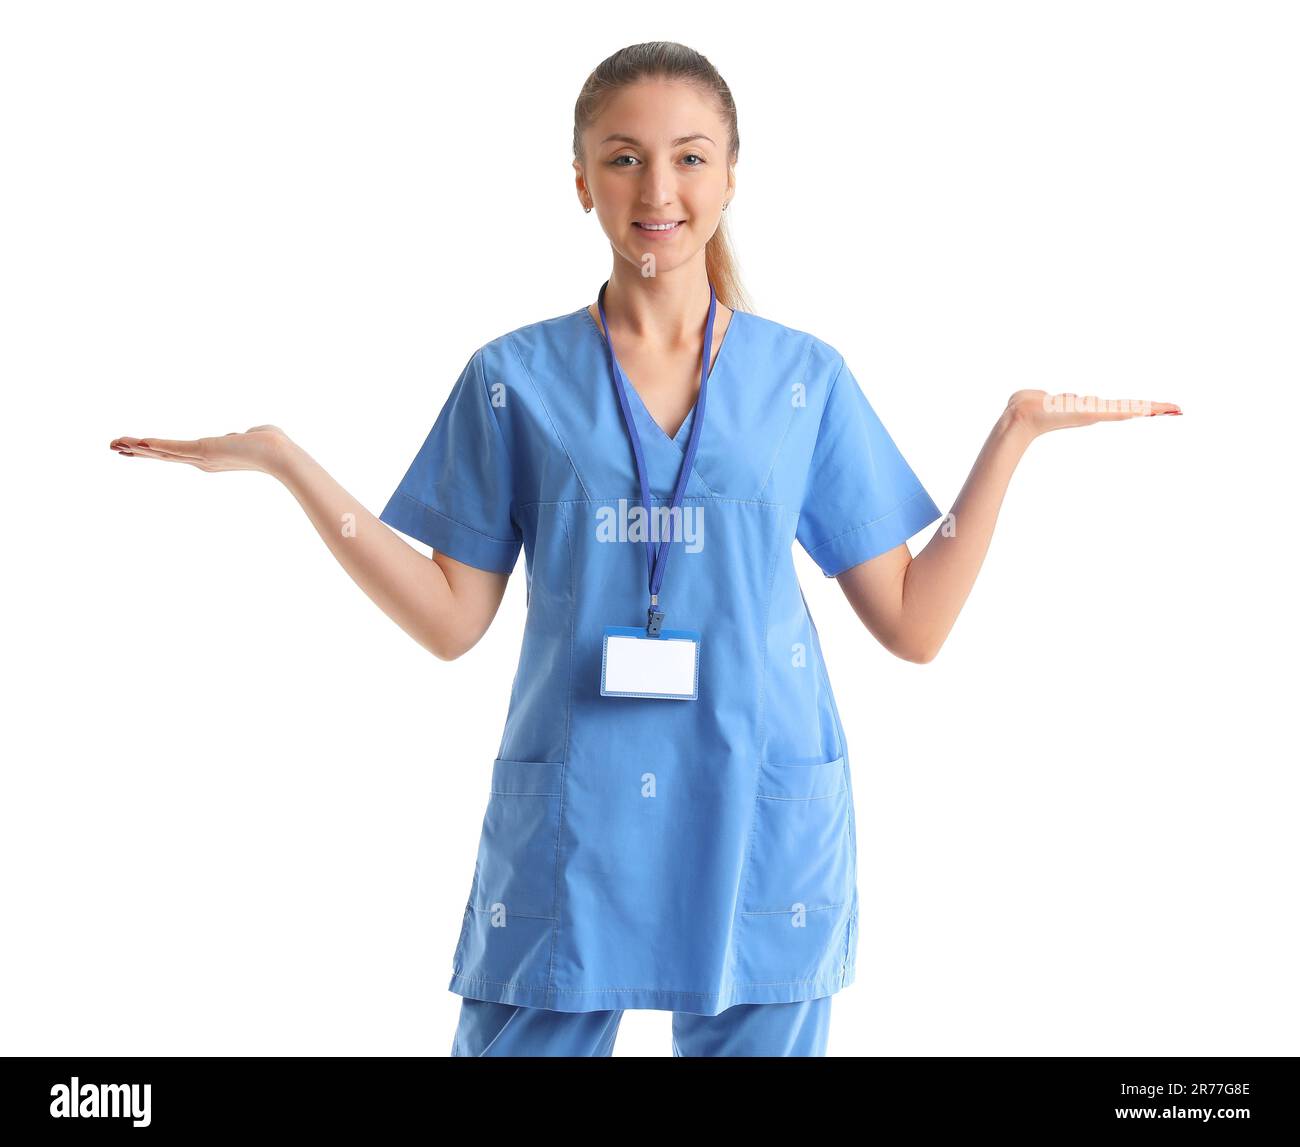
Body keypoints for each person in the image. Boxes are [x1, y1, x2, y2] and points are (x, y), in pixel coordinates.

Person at [108, 42, 1181, 1058]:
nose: (655, 188)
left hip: (759, 811)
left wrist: (1012, 435)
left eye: (687, 157)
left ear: (729, 178)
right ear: (580, 179)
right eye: (622, 158)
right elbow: (449, 620)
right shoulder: (512, 378)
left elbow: (913, 621)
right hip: (575, 820)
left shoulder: (803, 380)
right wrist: (290, 465)